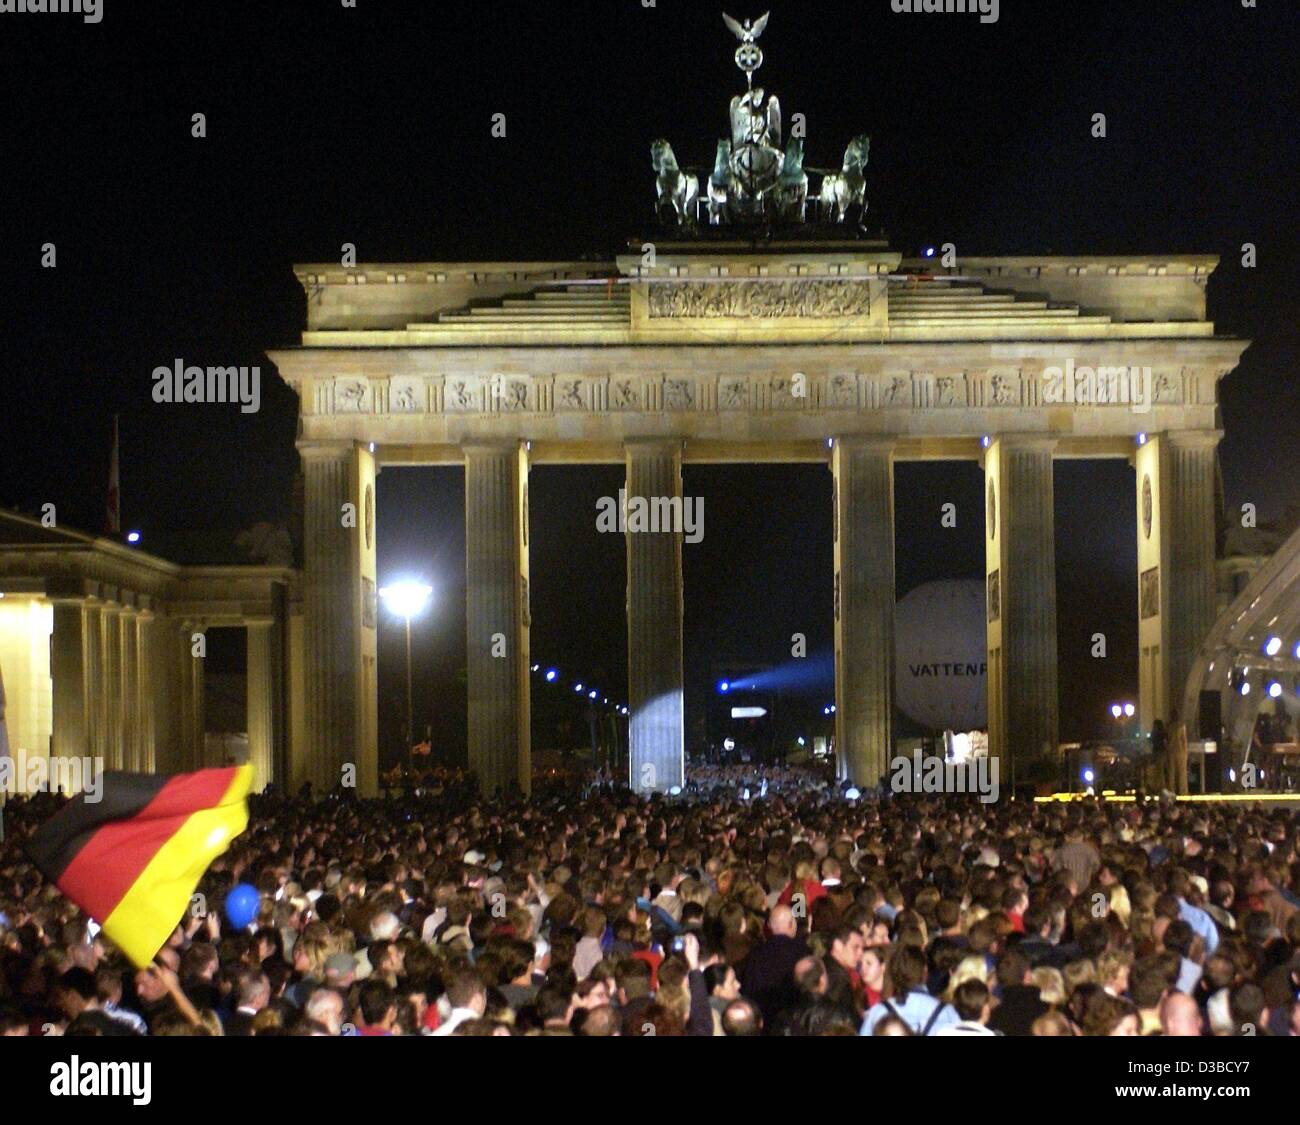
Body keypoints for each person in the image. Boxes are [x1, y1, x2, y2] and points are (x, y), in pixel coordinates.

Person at [1167, 709, 1189, 795]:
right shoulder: (1181, 725)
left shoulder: (1169, 726)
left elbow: (1167, 739)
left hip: (1171, 751)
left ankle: (1171, 791)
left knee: (1171, 772)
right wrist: (1186, 752)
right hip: (1180, 751)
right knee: (1182, 772)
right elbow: (1184, 740)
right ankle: (1183, 791)